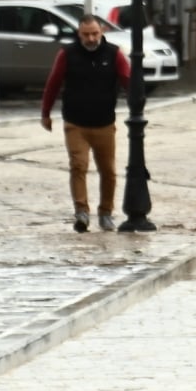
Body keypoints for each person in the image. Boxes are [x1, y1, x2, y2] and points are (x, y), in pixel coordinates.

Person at [40, 14, 131, 233]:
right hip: (75, 123)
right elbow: (53, 83)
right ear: (79, 34)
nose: (90, 38)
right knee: (78, 165)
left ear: (101, 32)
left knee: (108, 171)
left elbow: (128, 80)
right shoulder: (67, 54)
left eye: (94, 34)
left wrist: (136, 102)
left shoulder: (114, 54)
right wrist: (46, 113)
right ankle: (81, 211)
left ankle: (106, 213)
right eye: (85, 34)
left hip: (104, 123)